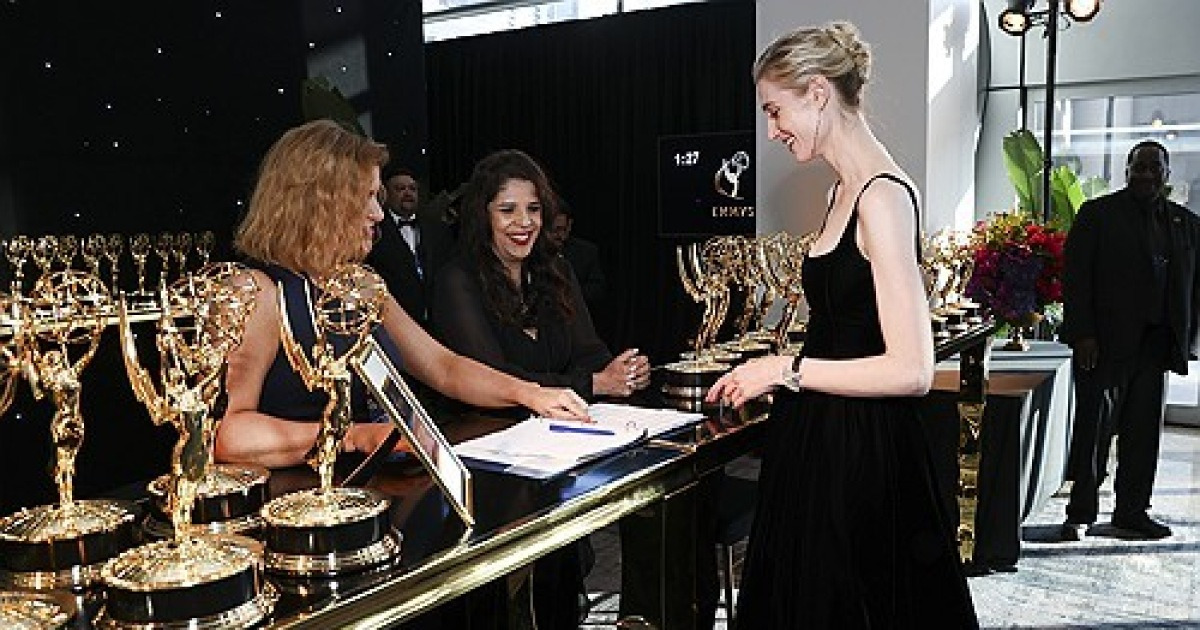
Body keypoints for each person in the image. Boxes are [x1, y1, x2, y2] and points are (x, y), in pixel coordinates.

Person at [705, 22, 978, 627]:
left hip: (864, 451)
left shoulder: (882, 197)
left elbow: (912, 369)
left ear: (819, 93)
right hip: (820, 434)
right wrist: (777, 374)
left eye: (777, 111)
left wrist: (785, 368)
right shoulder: (839, 192)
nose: (772, 131)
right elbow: (842, 325)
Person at [214, 120, 588, 471]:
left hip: (375, 490)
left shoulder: (360, 283)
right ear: (318, 201)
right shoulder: (258, 291)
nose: (378, 213)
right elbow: (231, 435)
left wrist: (532, 394)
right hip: (303, 511)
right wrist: (354, 437)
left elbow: (444, 368)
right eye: (365, 197)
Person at [430, 149, 652, 629]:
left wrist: (618, 370)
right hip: (490, 468)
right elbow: (492, 375)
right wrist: (593, 383)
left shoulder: (556, 271)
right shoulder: (456, 280)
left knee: (559, 588)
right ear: (482, 215)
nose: (523, 222)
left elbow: (589, 351)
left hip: (560, 456)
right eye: (507, 210)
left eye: (532, 209)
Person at [1059, 140, 1200, 541]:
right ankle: (1081, 512)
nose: (1146, 174)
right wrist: (1083, 333)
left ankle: (1131, 512)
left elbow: (1195, 289)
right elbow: (1076, 279)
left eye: (1155, 168)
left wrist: (1187, 340)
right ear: (1127, 169)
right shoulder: (1097, 215)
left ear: (1167, 175)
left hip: (1156, 348)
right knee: (1093, 432)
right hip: (1103, 346)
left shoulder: (1186, 225)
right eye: (1140, 166)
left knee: (1143, 436)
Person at [366, 165, 456, 327]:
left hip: (440, 325)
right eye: (400, 189)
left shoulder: (438, 230)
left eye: (412, 189)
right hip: (393, 325)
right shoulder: (373, 230)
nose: (408, 194)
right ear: (385, 195)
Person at [546, 202, 606, 313]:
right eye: (556, 230)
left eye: (565, 229)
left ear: (570, 225)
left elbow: (597, 289)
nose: (562, 236)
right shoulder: (532, 251)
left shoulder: (587, 251)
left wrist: (570, 296)